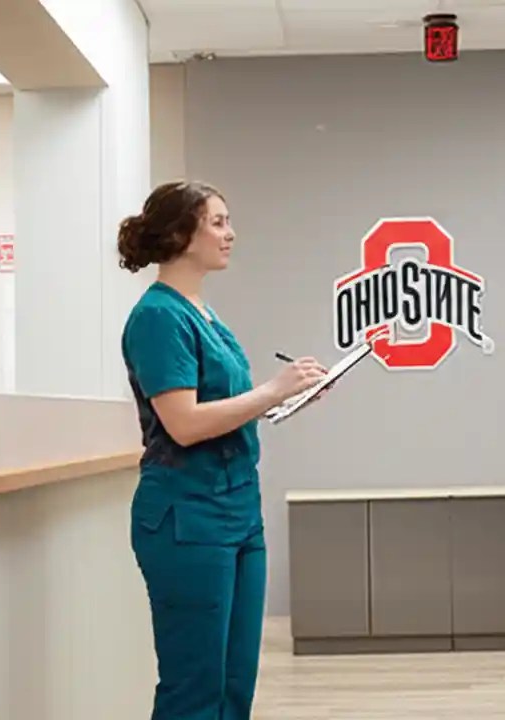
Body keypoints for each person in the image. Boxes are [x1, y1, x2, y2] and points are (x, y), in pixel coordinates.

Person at [117, 180, 327, 719]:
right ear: (183, 234)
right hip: (187, 515)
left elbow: (230, 411)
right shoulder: (159, 317)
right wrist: (271, 390)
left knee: (234, 685)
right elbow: (184, 425)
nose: (230, 234)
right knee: (195, 687)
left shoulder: (203, 313)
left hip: (237, 510)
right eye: (218, 222)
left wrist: (287, 397)